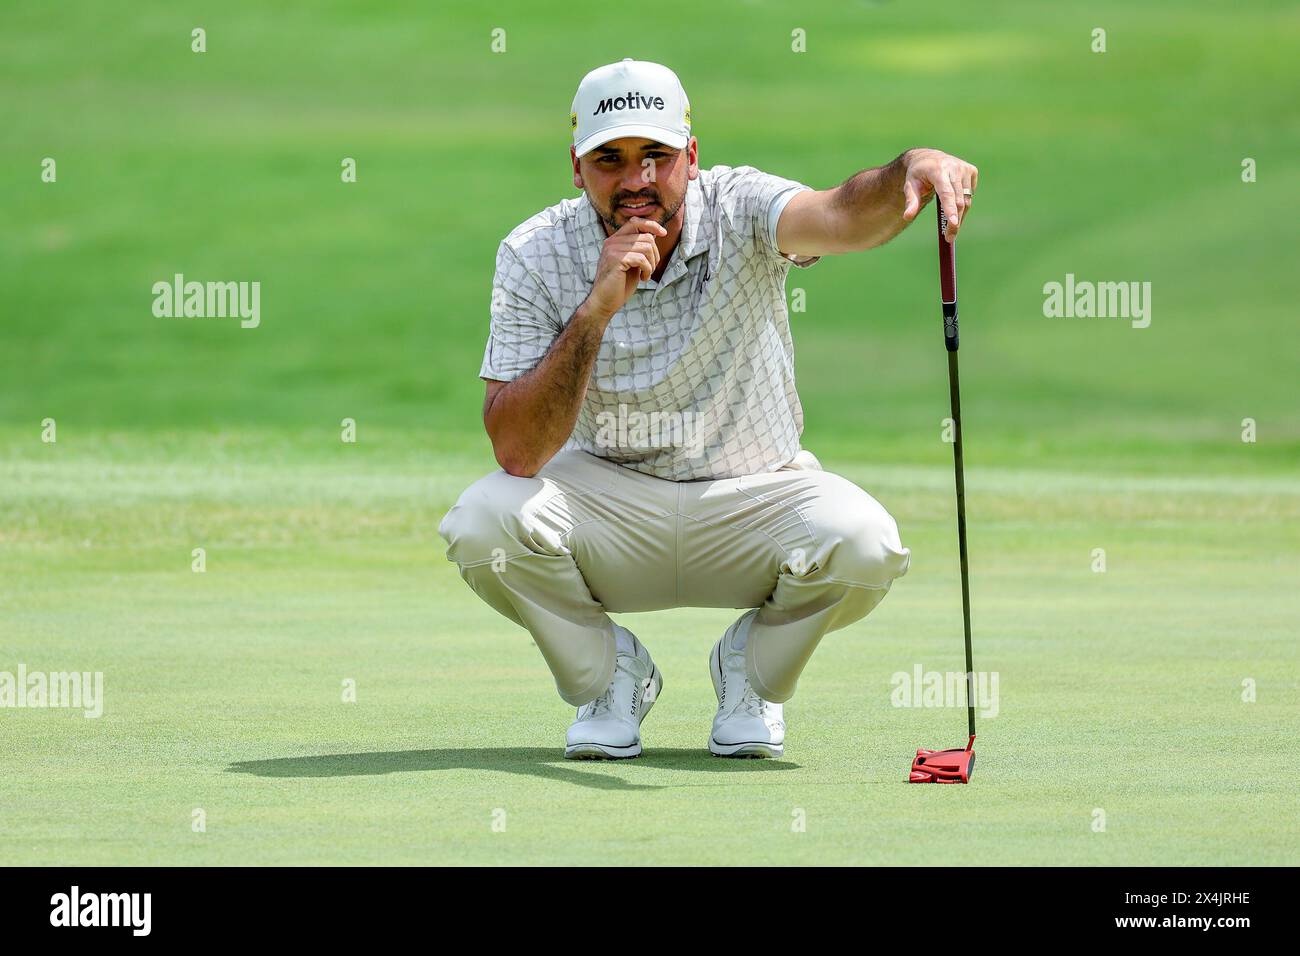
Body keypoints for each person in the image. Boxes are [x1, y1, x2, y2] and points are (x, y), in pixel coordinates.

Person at [439, 59, 977, 759]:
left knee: (865, 543)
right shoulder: (533, 252)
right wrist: (597, 308)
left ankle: (749, 673)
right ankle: (611, 677)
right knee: (483, 522)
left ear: (691, 157)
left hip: (752, 495)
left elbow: (843, 214)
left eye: (655, 156)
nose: (635, 180)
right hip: (612, 509)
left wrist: (910, 166)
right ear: (577, 168)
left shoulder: (743, 206)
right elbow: (517, 451)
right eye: (610, 160)